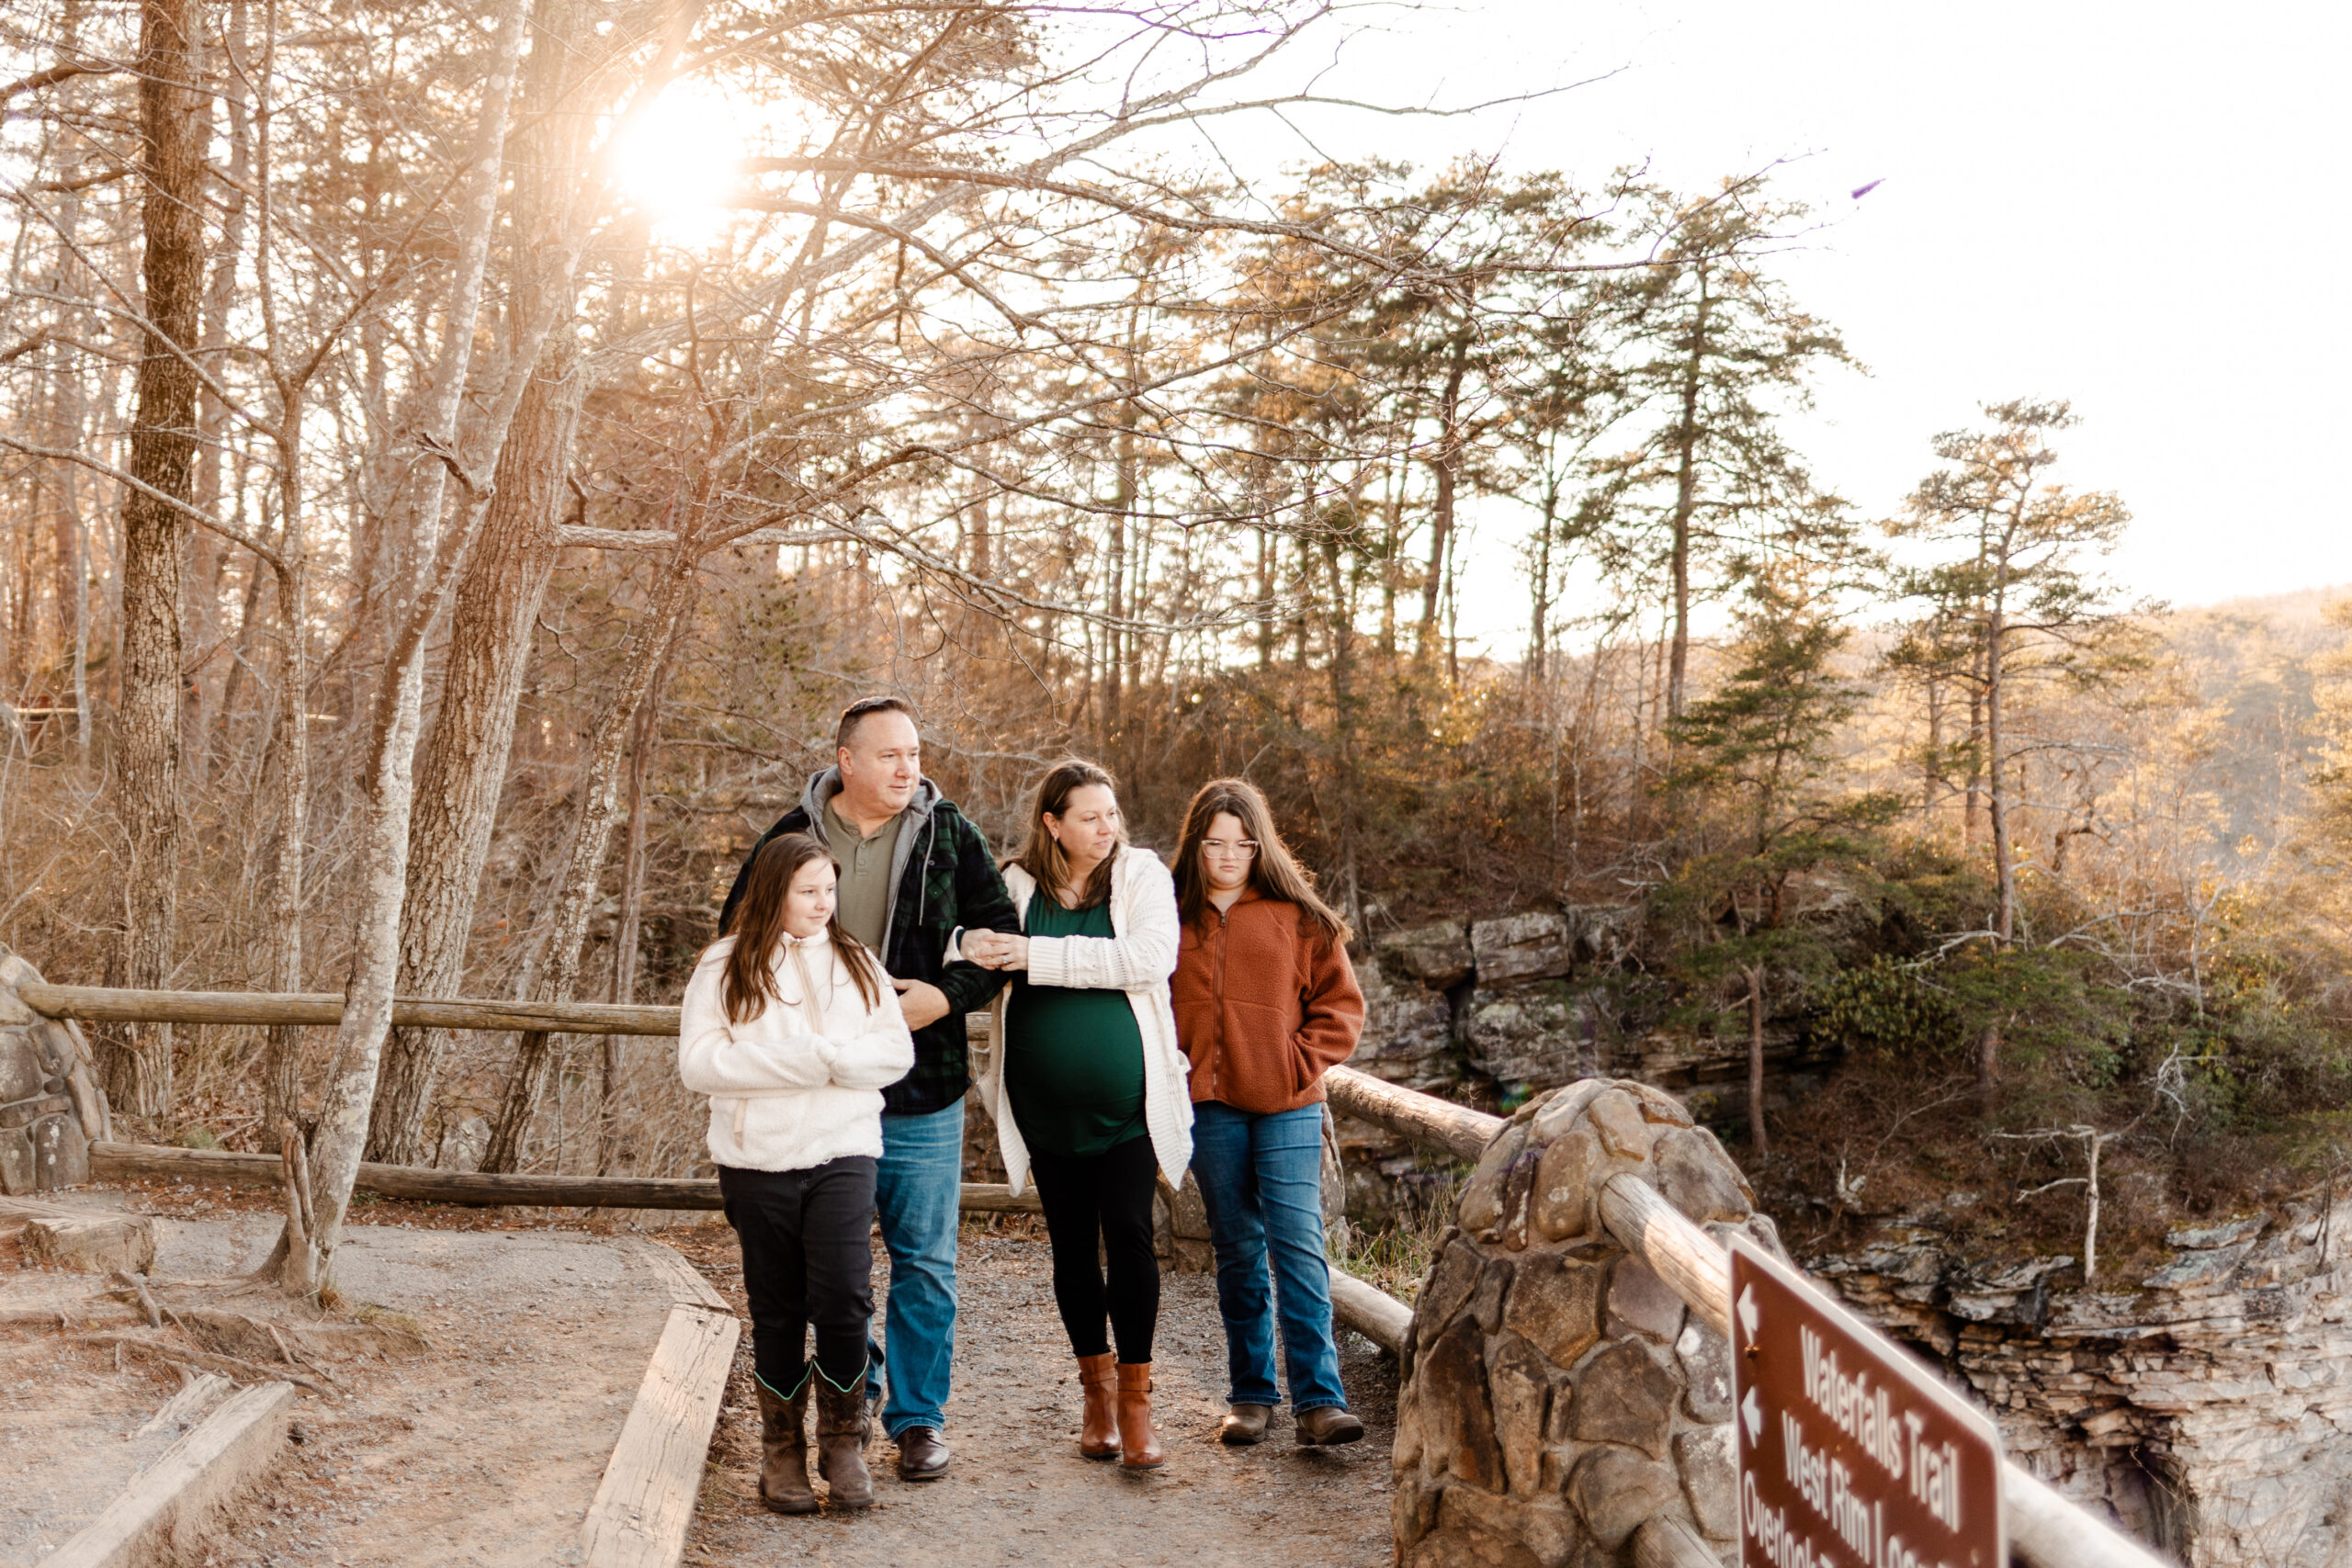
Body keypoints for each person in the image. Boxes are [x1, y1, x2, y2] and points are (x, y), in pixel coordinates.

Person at [717, 696, 1018, 1483]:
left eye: (913, 753)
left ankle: (917, 1419)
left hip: (923, 1083)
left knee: (924, 1260)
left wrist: (945, 996)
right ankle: (848, 1407)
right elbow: (738, 935)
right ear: (846, 760)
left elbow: (999, 934)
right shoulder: (791, 838)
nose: (907, 768)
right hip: (819, 1094)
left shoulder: (951, 834)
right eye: (889, 755)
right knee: (839, 1267)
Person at [962, 760, 1193, 1470]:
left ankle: (1137, 1401)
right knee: (1069, 1245)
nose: (1107, 827)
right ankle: (1095, 1394)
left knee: (1127, 1233)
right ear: (1053, 824)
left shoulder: (1142, 874)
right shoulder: (1016, 883)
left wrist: (1032, 954)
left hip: (1128, 1106)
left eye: (1111, 813)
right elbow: (967, 945)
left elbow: (1150, 958)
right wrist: (973, 946)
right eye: (1089, 817)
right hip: (1042, 1107)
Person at [681, 833, 915, 1513]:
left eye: (829, 890)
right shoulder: (725, 965)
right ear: (773, 891)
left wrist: (831, 1062)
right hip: (758, 1160)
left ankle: (842, 1443)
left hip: (843, 1150)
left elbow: (893, 1052)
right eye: (807, 891)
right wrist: (810, 1058)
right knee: (777, 1307)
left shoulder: (857, 960)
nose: (823, 903)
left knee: (844, 1297)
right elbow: (700, 1063)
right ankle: (779, 1454)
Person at [1169, 777, 1368, 1448]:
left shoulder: (1295, 915)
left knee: (1298, 1246)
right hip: (1211, 1109)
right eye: (1216, 843)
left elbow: (1343, 1009)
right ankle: (1251, 1395)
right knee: (1237, 1251)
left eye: (1243, 844)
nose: (1229, 856)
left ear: (1261, 846)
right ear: (1196, 845)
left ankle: (1320, 1398)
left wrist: (1295, 1062)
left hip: (1287, 1106)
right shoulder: (1168, 917)